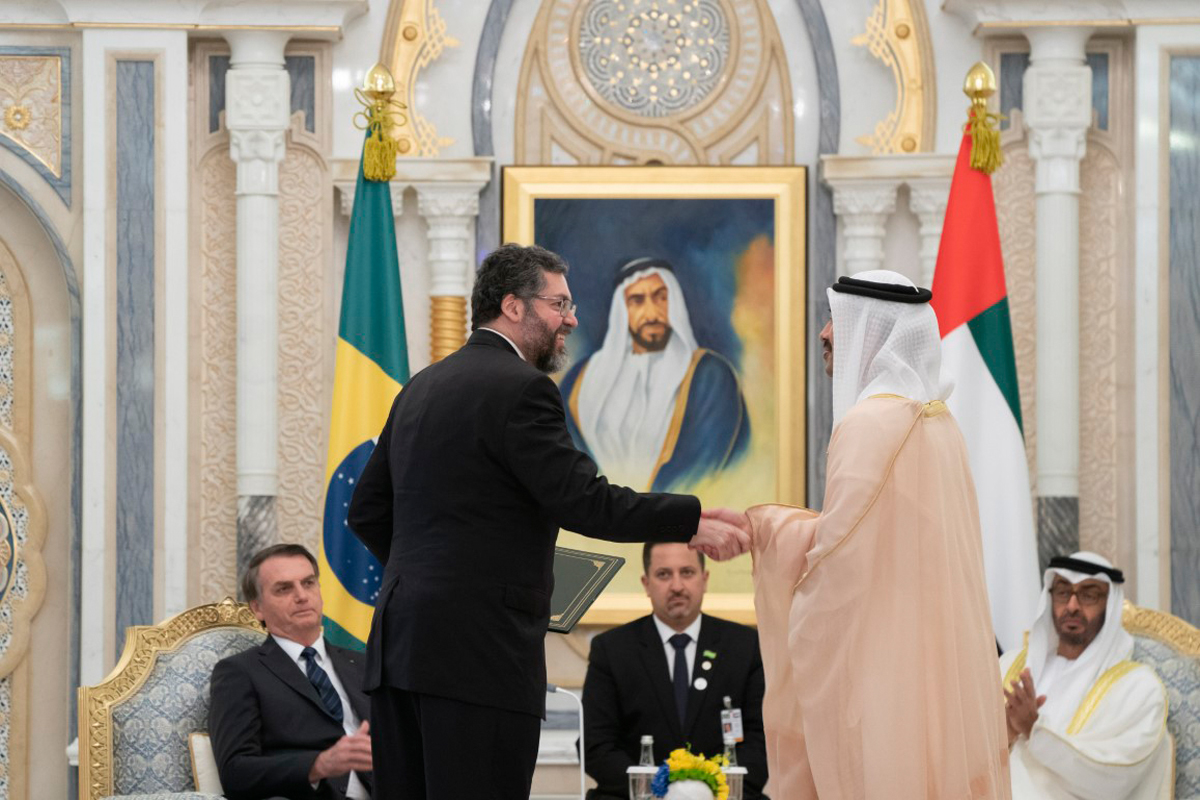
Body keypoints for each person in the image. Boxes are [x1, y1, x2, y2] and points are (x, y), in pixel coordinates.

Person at [346, 243, 751, 799]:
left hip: (399, 654)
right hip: (479, 659)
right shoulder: (523, 388)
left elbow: (366, 511)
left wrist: (429, 578)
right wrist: (690, 519)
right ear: (513, 306)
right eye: (559, 304)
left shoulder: (421, 386)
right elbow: (584, 500)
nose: (572, 319)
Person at [729, 270, 1009, 797]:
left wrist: (764, 529)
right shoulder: (941, 423)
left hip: (882, 674)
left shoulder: (867, 425)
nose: (824, 334)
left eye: (836, 319)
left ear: (872, 331)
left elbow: (834, 565)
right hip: (933, 667)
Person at [582, 542, 768, 799]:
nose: (677, 586)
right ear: (646, 584)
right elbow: (595, 745)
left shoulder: (745, 646)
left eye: (687, 572)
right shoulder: (612, 649)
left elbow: (763, 739)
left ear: (704, 579)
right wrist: (661, 792)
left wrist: (706, 791)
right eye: (664, 574)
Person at [558, 257, 749, 491]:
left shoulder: (710, 375)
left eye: (661, 298)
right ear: (622, 310)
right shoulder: (580, 381)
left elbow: (702, 470)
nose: (651, 313)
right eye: (637, 301)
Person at [1001, 552, 1172, 798]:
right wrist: (1004, 733)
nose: (1072, 606)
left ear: (1109, 604)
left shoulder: (1138, 689)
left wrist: (1034, 731)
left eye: (1088, 595)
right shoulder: (1009, 667)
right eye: (1063, 592)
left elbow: (1113, 778)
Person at [209, 544, 373, 800]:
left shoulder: (364, 664)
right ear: (257, 608)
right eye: (284, 589)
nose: (302, 596)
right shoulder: (240, 672)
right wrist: (318, 765)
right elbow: (235, 772)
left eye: (308, 583)